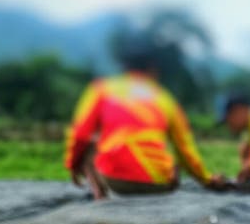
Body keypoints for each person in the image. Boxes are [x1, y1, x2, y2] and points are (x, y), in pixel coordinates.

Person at [65, 36, 225, 199]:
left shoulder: (101, 89)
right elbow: (186, 151)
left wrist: (72, 165)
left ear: (124, 65)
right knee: (172, 156)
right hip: (159, 184)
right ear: (153, 68)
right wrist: (207, 179)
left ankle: (101, 198)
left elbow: (80, 134)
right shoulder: (166, 99)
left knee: (90, 143)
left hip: (116, 182)